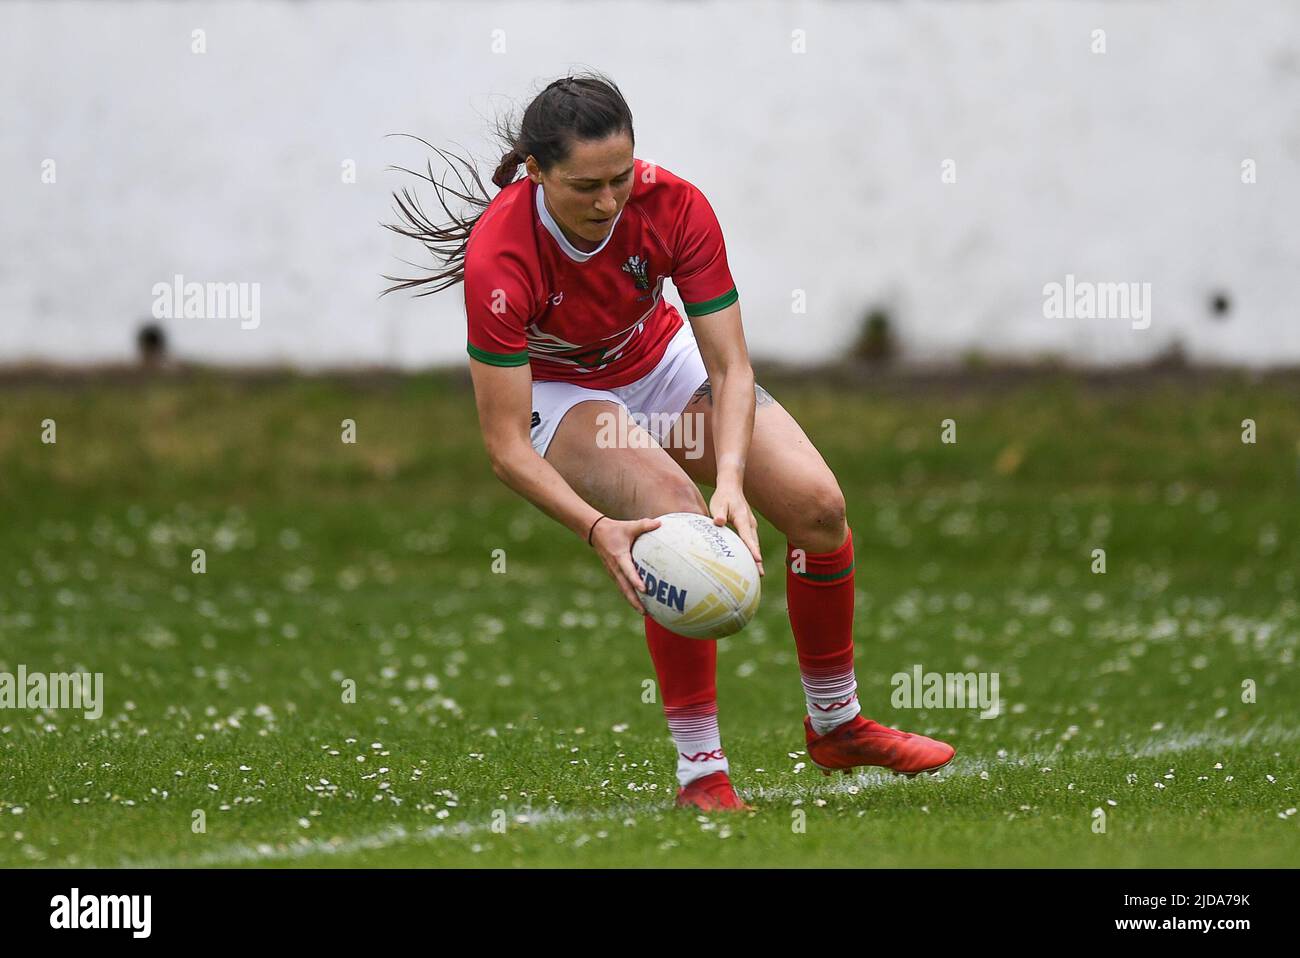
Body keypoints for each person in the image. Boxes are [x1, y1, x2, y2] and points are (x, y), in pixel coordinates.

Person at [383, 72, 954, 812]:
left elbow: (730, 365)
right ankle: (703, 776)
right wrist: (598, 530)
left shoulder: (674, 203)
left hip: (660, 362)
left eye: (620, 178)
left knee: (818, 507)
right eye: (585, 186)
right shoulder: (501, 254)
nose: (608, 202)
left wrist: (733, 480)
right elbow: (505, 448)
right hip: (564, 392)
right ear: (535, 172)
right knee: (670, 513)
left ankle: (838, 725)